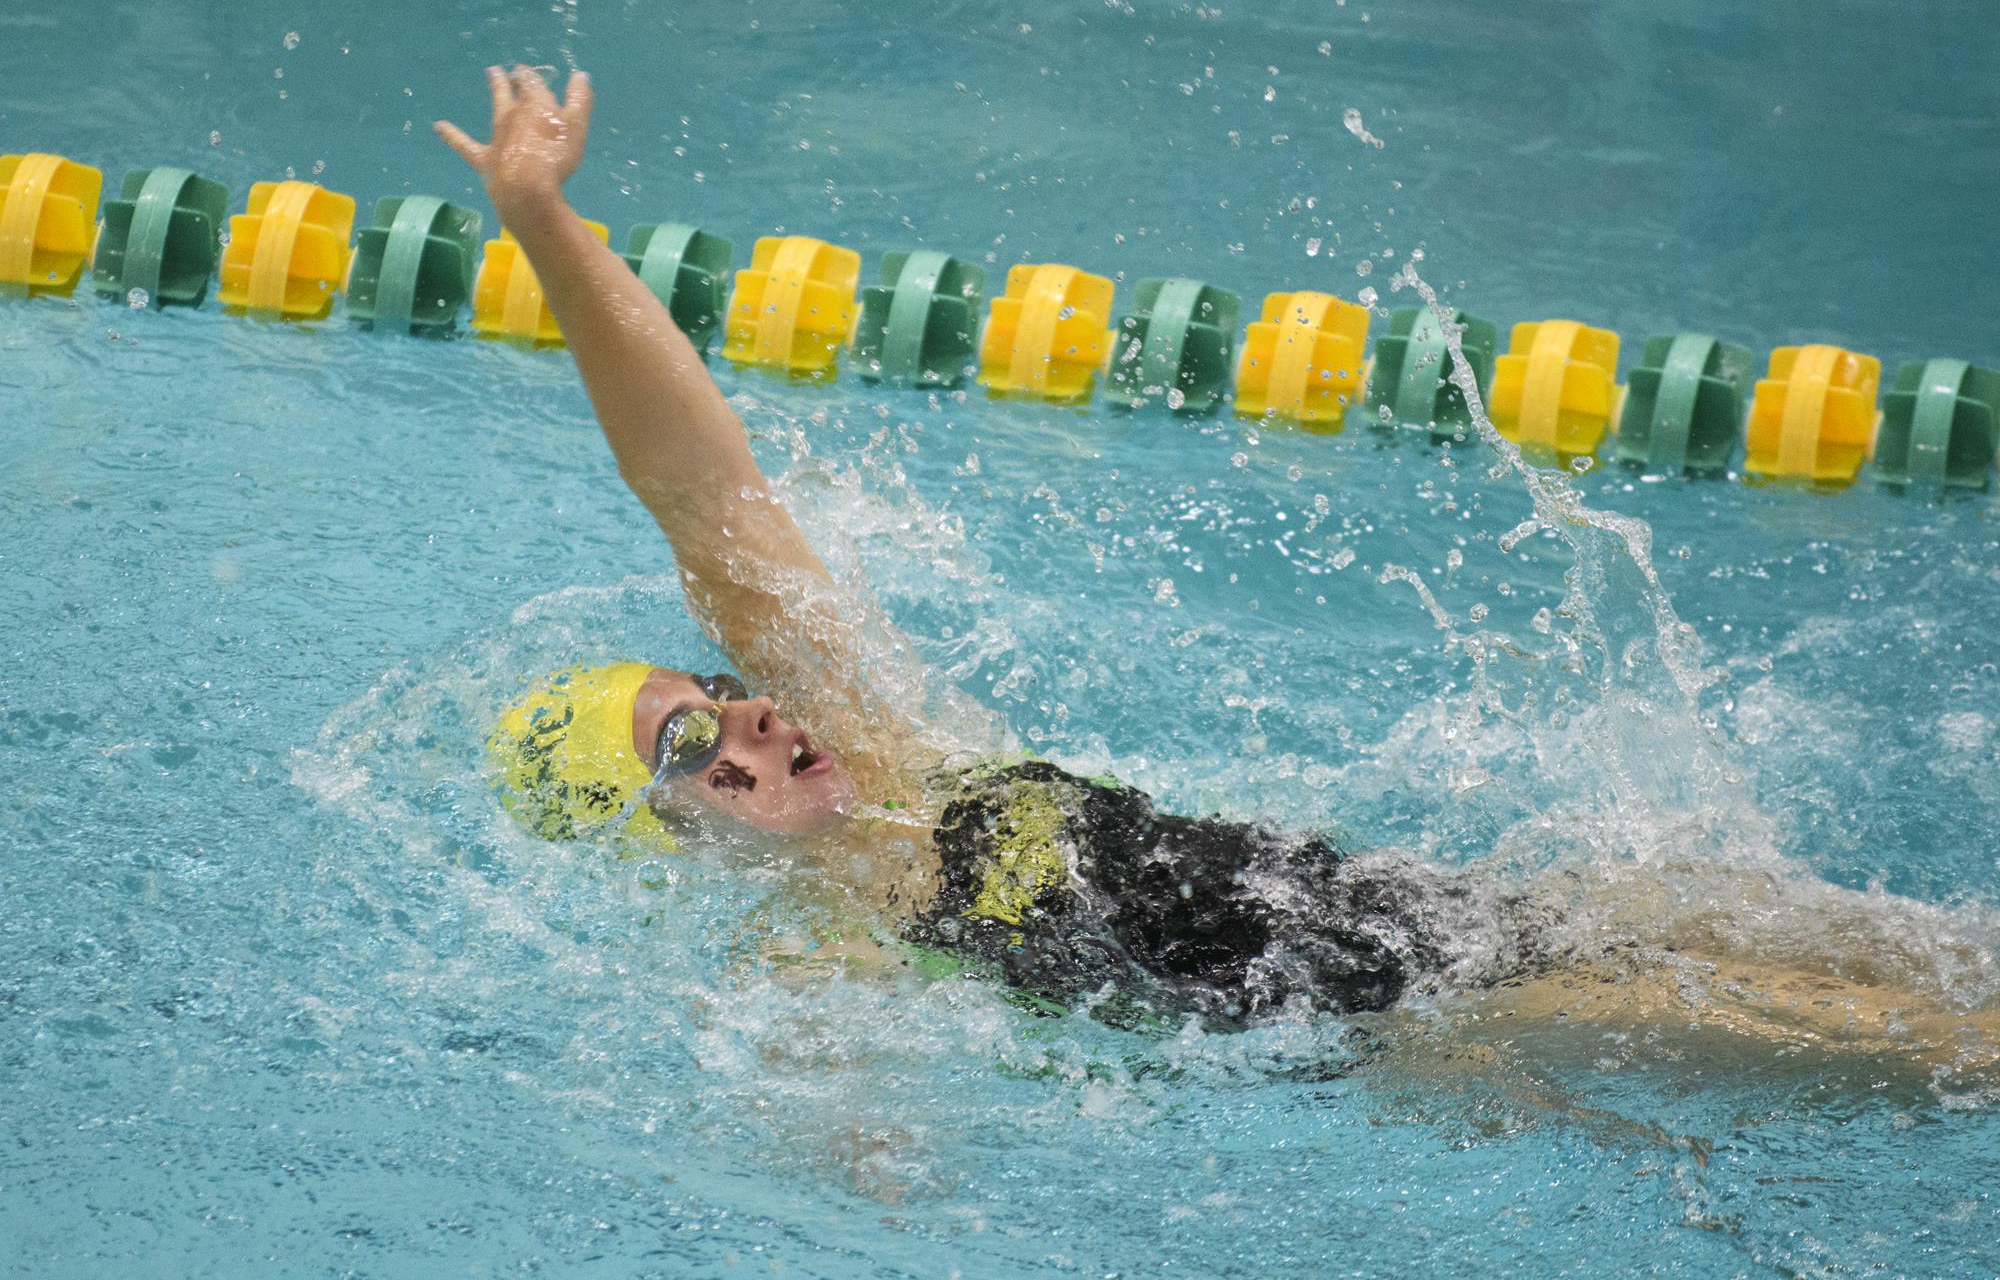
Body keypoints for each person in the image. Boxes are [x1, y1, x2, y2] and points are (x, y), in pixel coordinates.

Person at [441, 68, 2000, 1067]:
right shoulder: (811, 967)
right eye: (694, 747)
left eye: (722, 691)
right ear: (664, 844)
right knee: (1913, 1039)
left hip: (1400, 908)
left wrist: (546, 224)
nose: (755, 719)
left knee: (1820, 938)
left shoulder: (898, 749)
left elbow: (702, 496)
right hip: (1419, 1034)